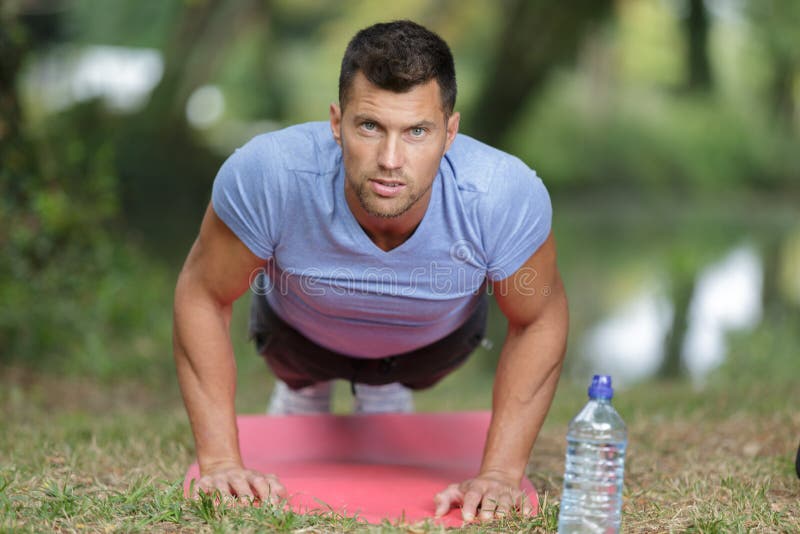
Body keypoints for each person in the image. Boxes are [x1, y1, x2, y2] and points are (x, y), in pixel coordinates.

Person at [173, 19, 568, 523]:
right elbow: (203, 294)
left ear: (450, 133)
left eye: (417, 131)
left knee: (410, 366)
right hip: (299, 335)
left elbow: (539, 318)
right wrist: (220, 463)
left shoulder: (501, 193)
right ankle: (305, 390)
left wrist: (500, 474)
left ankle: (383, 385)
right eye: (369, 127)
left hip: (432, 345)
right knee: (300, 370)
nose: (390, 160)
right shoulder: (268, 174)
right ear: (336, 123)